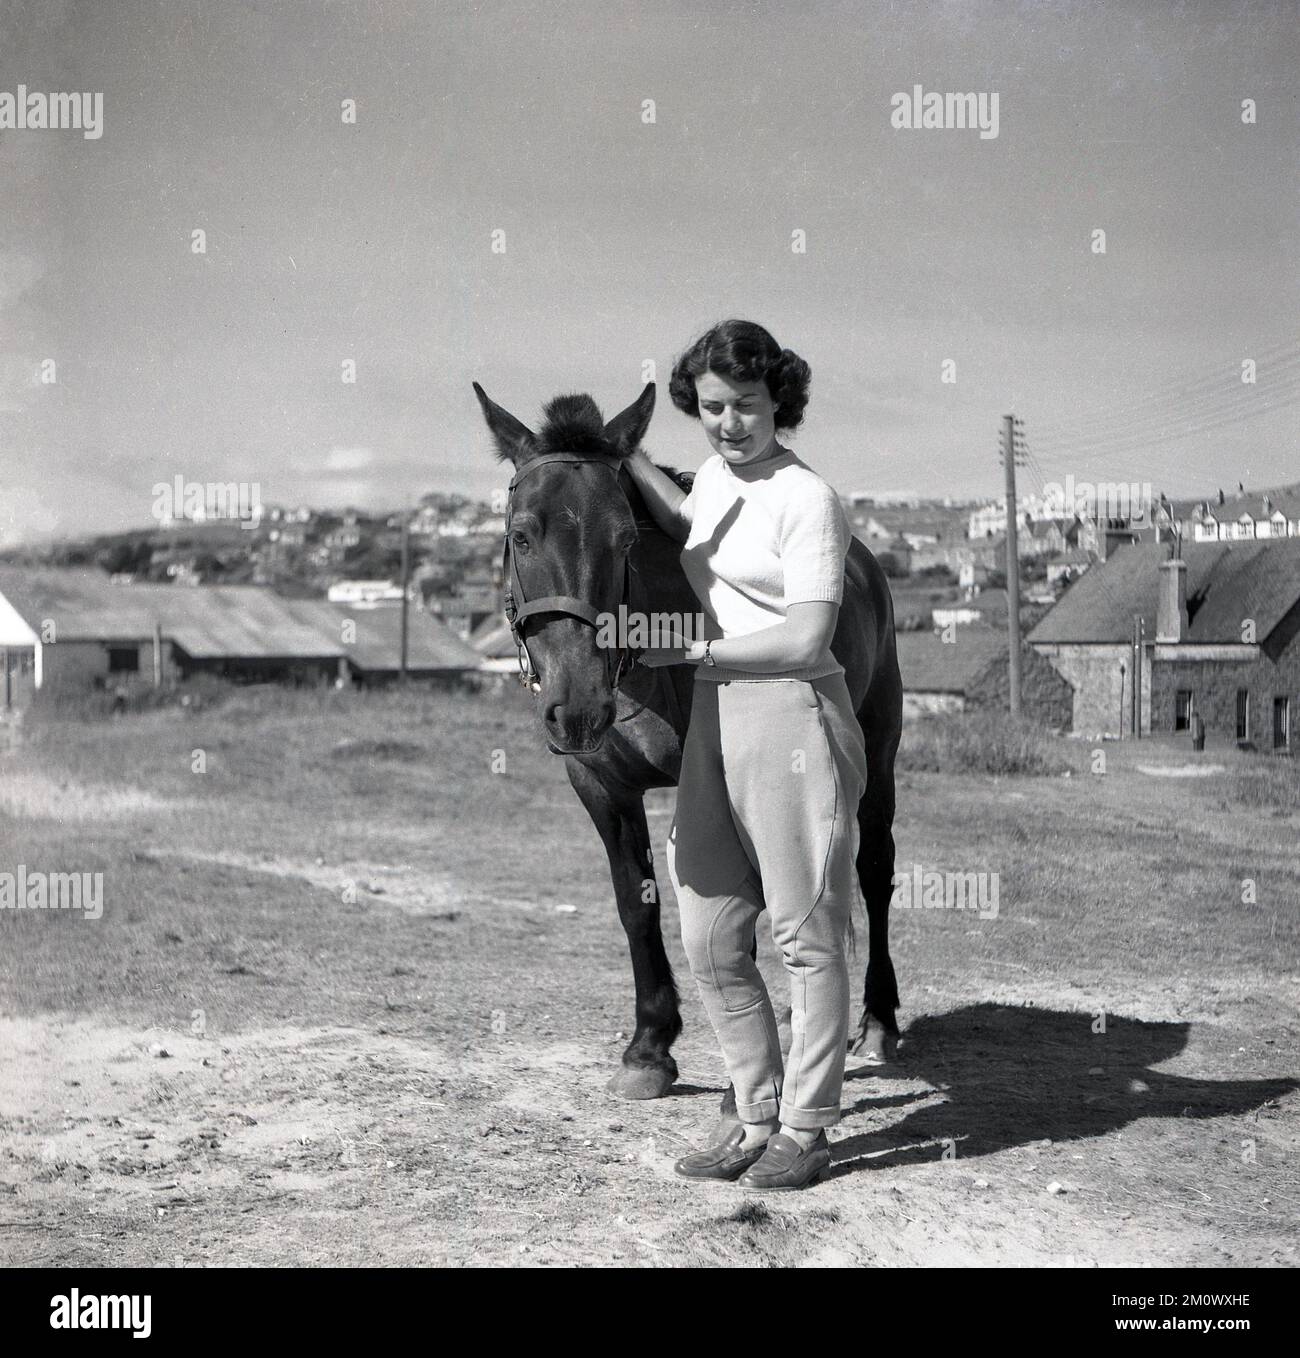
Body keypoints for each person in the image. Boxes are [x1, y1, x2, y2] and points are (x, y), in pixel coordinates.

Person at [623, 319, 867, 1191]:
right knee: (711, 933)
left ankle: (807, 1127)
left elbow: (807, 635)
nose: (727, 424)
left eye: (747, 406)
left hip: (795, 715)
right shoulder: (722, 477)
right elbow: (695, 521)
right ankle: (752, 1114)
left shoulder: (811, 498)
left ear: (781, 402)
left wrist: (693, 656)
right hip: (715, 716)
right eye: (714, 407)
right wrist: (625, 460)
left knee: (806, 934)